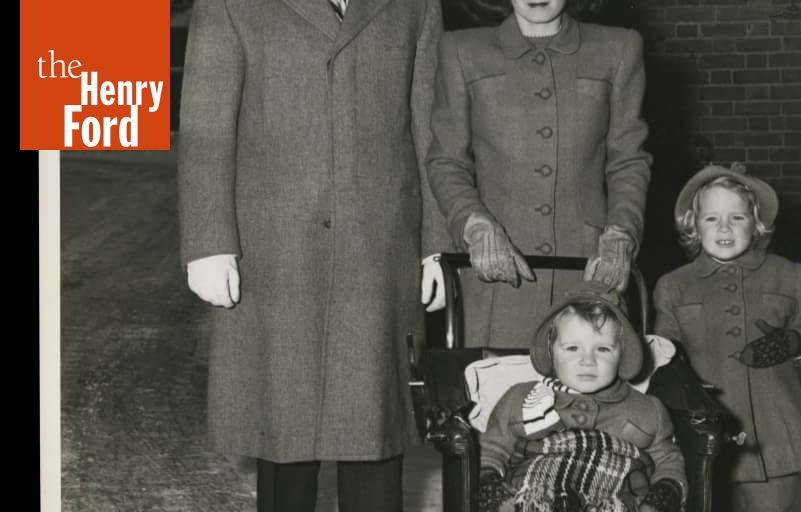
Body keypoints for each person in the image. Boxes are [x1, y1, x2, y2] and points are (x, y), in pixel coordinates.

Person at [175, 0, 449, 510]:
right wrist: (209, 243)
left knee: (374, 429)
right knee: (283, 429)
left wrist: (437, 246)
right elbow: (205, 126)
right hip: (274, 251)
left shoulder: (417, 5)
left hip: (381, 249)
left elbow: (432, 128)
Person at [425, 0, 652, 349]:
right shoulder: (462, 51)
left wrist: (622, 232)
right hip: (495, 281)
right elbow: (447, 161)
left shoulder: (618, 48)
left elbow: (628, 161)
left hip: (588, 271)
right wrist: (475, 225)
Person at [652, 163, 801, 512]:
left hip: (775, 431)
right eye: (711, 218)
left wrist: (793, 341)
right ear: (693, 225)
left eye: (737, 217)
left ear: (757, 222)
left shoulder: (789, 276)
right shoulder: (674, 286)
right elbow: (663, 352)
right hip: (704, 433)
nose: (724, 228)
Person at [477, 280, 687, 512]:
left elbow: (668, 463)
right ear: (550, 350)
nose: (588, 360)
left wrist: (661, 496)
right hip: (534, 498)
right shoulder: (520, 400)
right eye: (572, 348)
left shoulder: (647, 410)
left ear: (623, 355)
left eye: (603, 349)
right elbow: (491, 451)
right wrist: (493, 491)